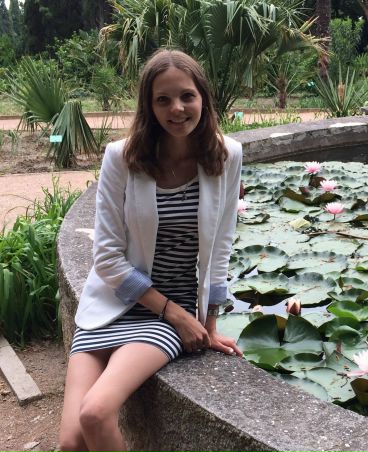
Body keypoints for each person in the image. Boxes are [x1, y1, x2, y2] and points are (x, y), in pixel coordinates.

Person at [59, 49, 243, 452]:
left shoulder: (226, 155)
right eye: (163, 99)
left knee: (95, 414)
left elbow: (221, 246)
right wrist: (173, 312)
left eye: (187, 96)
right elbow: (107, 258)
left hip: (169, 315)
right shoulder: (121, 158)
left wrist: (208, 324)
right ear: (149, 106)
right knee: (71, 443)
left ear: (203, 98)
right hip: (116, 305)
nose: (177, 108)